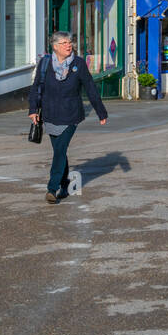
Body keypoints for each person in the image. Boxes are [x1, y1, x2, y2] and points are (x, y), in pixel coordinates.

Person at [28, 32, 107, 205]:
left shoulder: (78, 63)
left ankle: (51, 188)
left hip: (71, 115)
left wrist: (101, 112)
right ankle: (65, 185)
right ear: (55, 47)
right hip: (49, 115)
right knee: (59, 152)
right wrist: (33, 109)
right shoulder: (45, 63)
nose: (68, 45)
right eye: (64, 43)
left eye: (70, 42)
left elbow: (91, 88)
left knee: (60, 150)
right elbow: (36, 88)